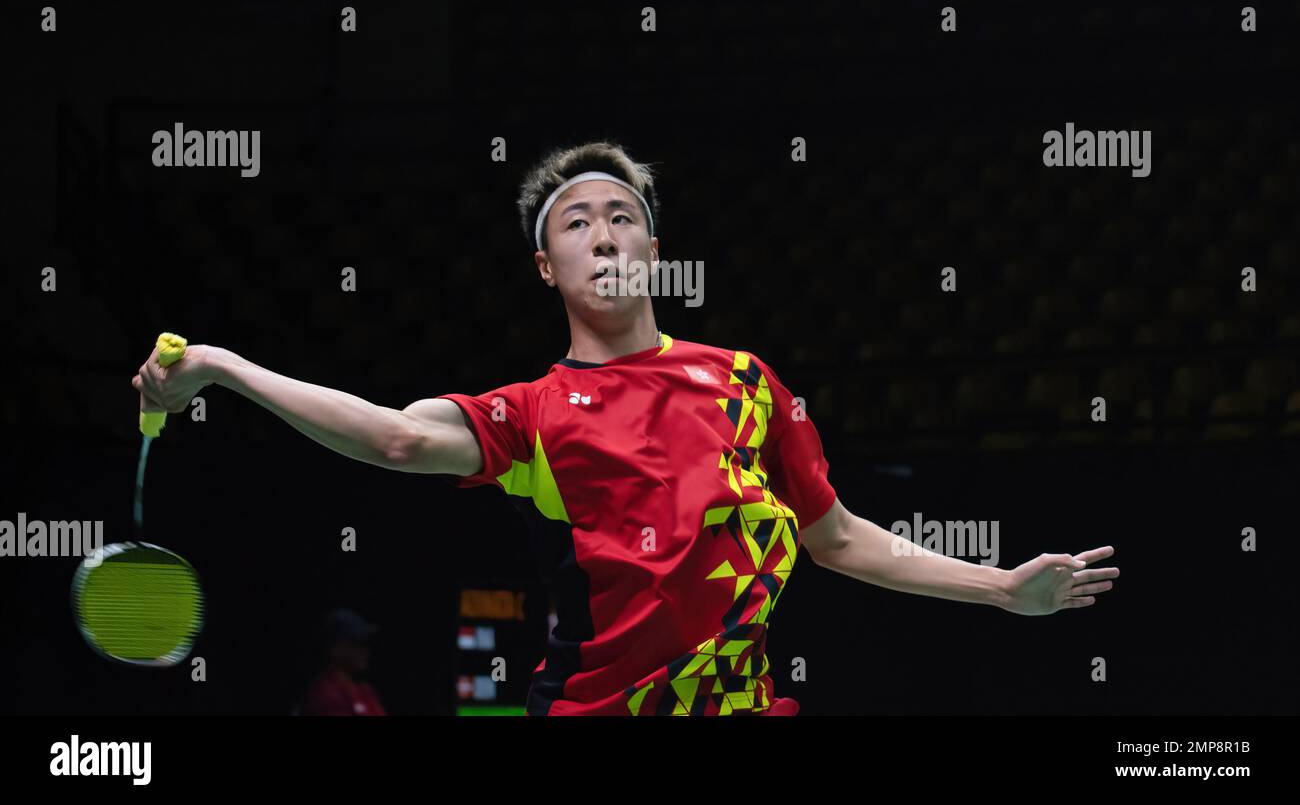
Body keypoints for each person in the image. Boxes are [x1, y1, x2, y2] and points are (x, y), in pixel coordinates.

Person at [131, 140, 1120, 716]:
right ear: (545, 268)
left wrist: (1000, 589)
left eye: (622, 215)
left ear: (652, 246)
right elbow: (392, 437)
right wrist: (222, 367)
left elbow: (842, 539)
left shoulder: (744, 383)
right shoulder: (533, 412)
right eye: (574, 221)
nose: (601, 230)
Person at [298, 608, 387, 716]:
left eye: (364, 643)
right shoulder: (326, 694)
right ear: (335, 647)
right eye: (355, 643)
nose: (364, 651)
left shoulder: (365, 690)